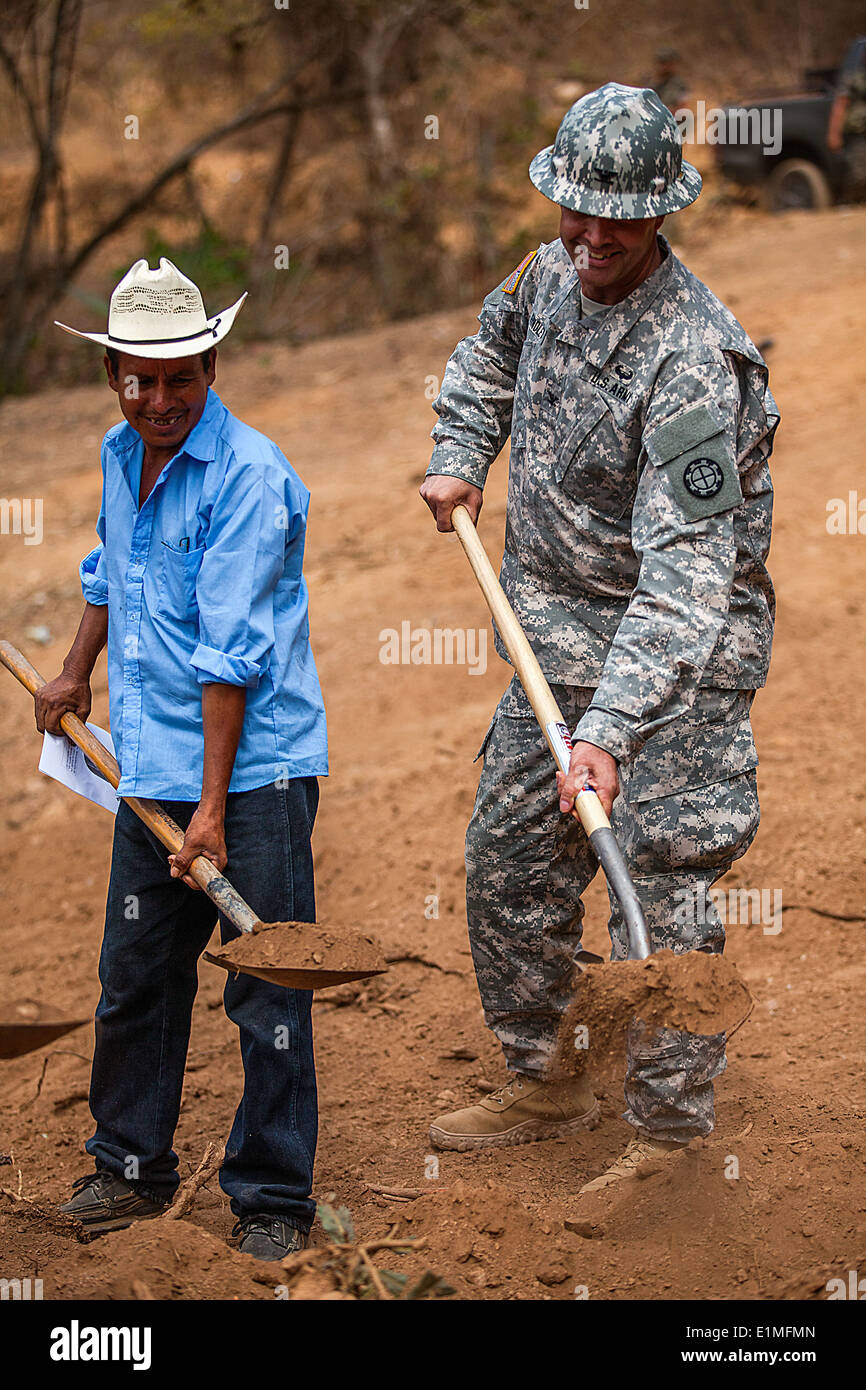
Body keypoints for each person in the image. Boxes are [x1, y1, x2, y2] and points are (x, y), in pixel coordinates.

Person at [420, 84, 779, 1193]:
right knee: (507, 863)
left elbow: (686, 578)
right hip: (549, 636)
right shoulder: (545, 274)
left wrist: (613, 730)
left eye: (609, 222)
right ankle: (551, 1068)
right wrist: (460, 448)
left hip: (674, 663)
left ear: (659, 213)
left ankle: (668, 1143)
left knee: (659, 890)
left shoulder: (692, 365)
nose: (585, 238)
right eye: (570, 211)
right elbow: (486, 356)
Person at [38, 258, 327, 1257]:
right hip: (152, 765)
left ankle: (273, 1197)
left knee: (266, 981)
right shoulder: (123, 454)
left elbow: (232, 653)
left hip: (252, 777)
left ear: (210, 364)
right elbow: (105, 569)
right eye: (139, 376)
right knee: (137, 974)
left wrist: (210, 812)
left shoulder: (248, 475)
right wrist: (74, 674)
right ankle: (127, 1165)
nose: (158, 399)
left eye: (180, 377)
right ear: (113, 370)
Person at [648, 46, 690, 114]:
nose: (665, 67)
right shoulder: (649, 81)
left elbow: (682, 109)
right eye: (662, 63)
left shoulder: (679, 85)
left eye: (669, 64)